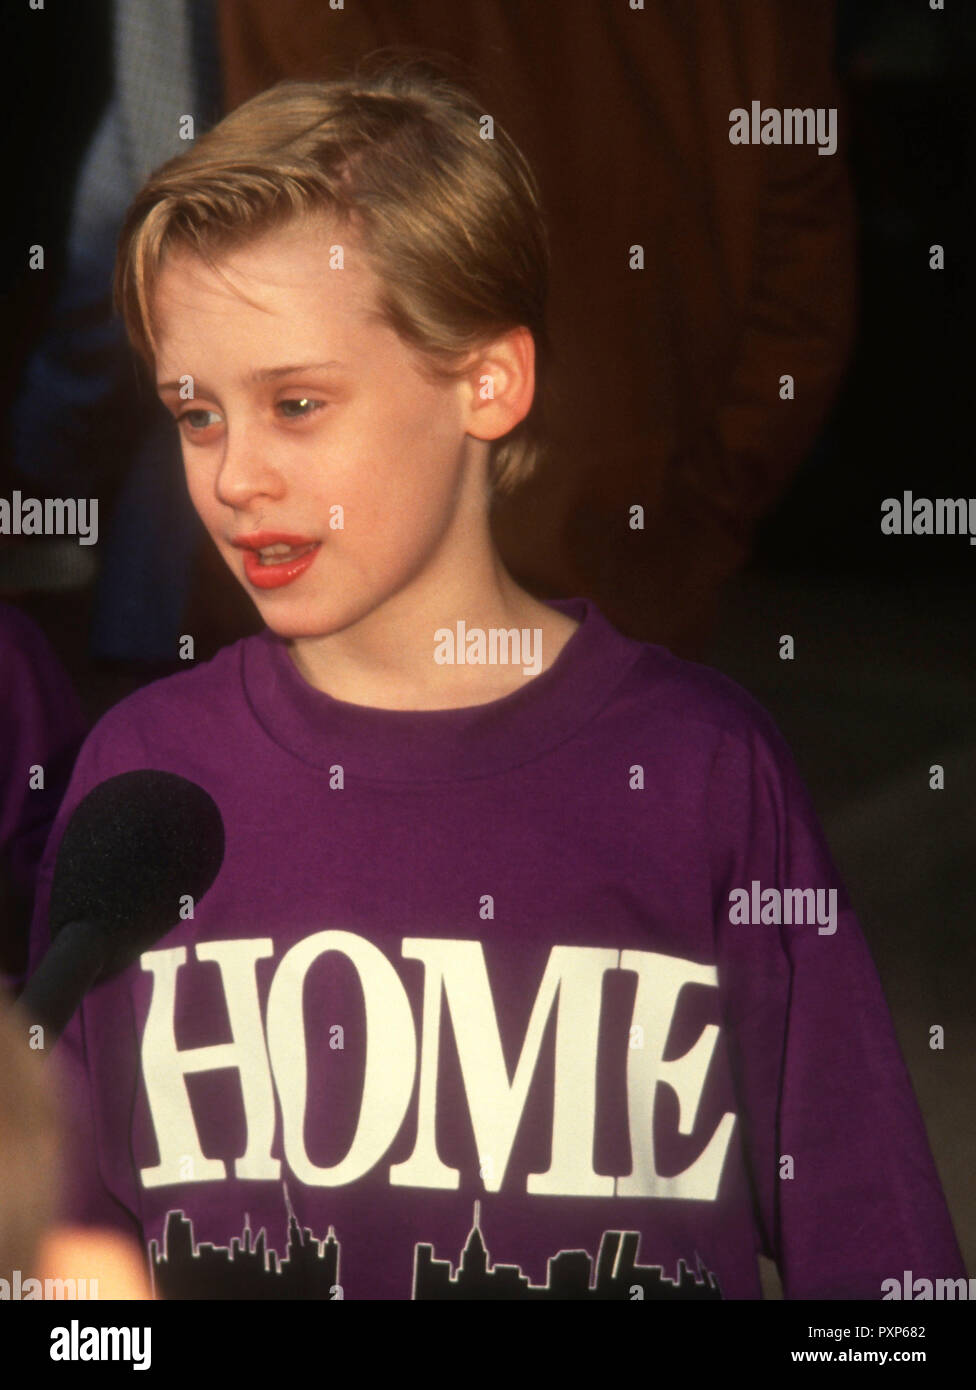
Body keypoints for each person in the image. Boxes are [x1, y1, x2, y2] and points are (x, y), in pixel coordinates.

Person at [27, 59, 962, 1300]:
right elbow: (70, 1282)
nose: (233, 475)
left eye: (296, 403)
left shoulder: (701, 774)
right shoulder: (144, 780)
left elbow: (878, 1269)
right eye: (197, 414)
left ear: (489, 381)